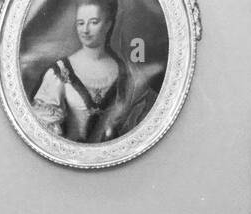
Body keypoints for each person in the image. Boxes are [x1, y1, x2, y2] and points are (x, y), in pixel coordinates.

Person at [30, 0, 160, 143]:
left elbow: (144, 121)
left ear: (108, 25)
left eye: (93, 22)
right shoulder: (59, 71)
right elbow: (43, 131)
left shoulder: (128, 72)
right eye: (80, 23)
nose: (85, 30)